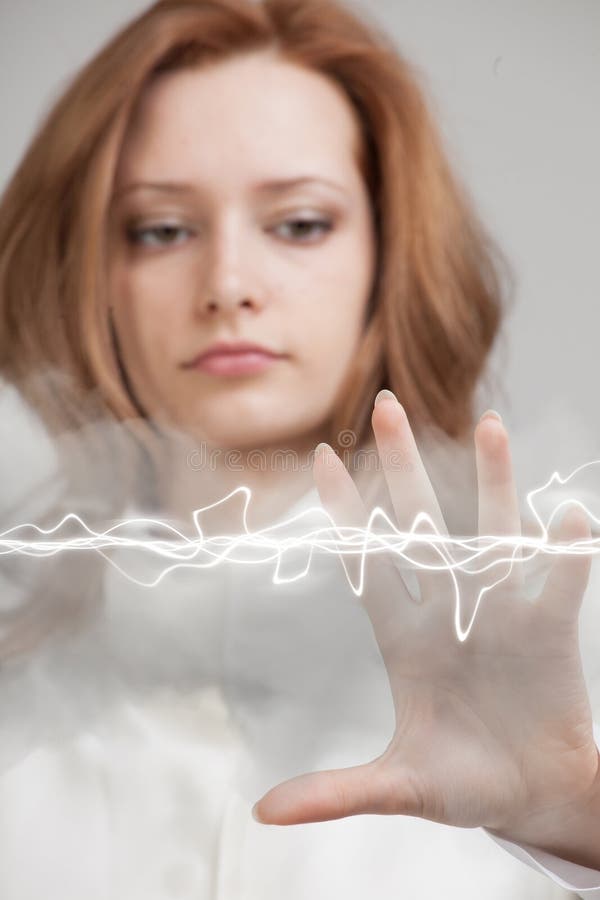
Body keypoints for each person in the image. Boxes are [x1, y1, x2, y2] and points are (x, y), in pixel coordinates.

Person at [0, 0, 598, 897]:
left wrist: (574, 820)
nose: (230, 286)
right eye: (161, 229)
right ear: (87, 269)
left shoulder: (561, 627)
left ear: (387, 256)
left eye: (300, 224)